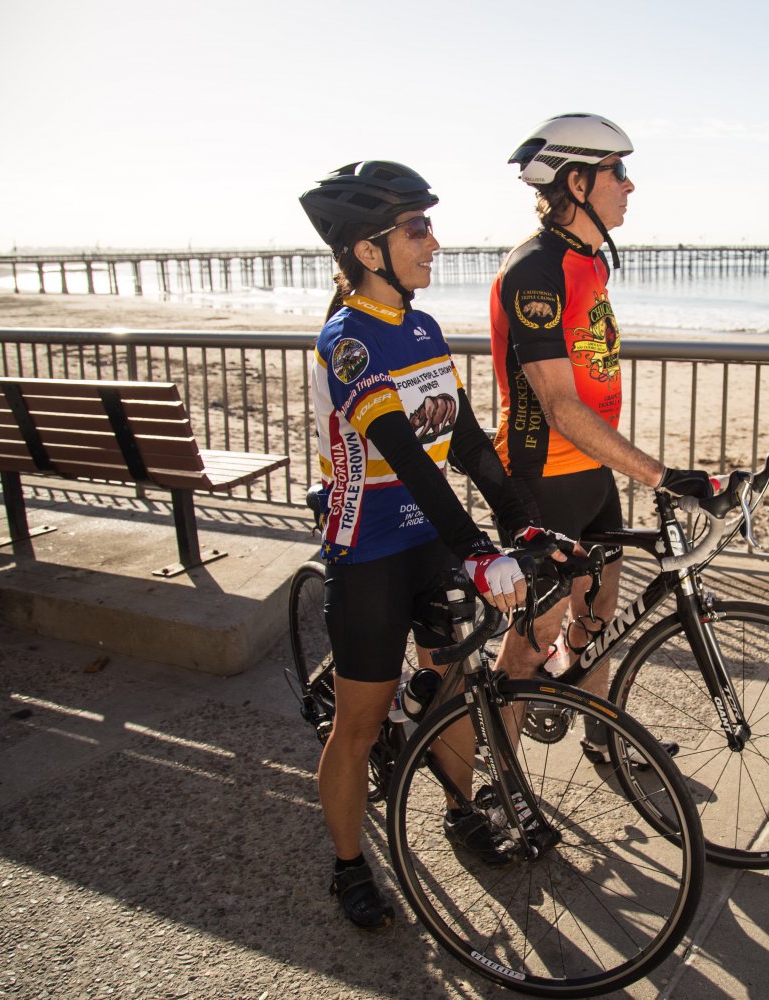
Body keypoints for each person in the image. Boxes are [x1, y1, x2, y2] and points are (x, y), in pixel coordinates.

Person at [299, 160, 566, 929]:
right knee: (358, 725)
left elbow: (465, 438)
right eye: (417, 229)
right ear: (368, 250)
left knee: (451, 687)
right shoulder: (347, 340)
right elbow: (406, 457)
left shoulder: (419, 327)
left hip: (430, 540)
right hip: (372, 550)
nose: (435, 242)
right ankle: (349, 865)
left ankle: (457, 809)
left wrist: (520, 522)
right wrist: (477, 546)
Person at [489, 113, 716, 759]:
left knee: (597, 616)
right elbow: (559, 406)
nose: (631, 185)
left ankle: (601, 738)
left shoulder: (588, 263)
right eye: (620, 172)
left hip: (587, 472)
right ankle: (497, 787)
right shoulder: (535, 270)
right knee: (531, 643)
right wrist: (662, 475)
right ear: (580, 182)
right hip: (542, 479)